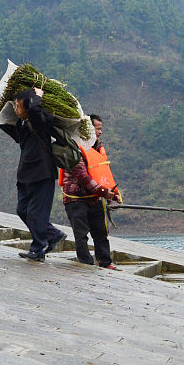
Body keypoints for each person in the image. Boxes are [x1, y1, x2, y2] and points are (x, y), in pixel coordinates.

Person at [0, 87, 66, 262]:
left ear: (28, 107)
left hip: (42, 174)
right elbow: (18, 137)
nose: (16, 110)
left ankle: (38, 249)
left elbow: (36, 111)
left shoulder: (42, 120)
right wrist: (0, 118)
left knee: (36, 213)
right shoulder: (24, 123)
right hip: (26, 175)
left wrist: (37, 96)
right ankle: (53, 234)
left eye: (19, 107)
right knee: (22, 210)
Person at [60, 114, 121, 269]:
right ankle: (86, 264)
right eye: (97, 128)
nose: (100, 132)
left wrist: (113, 194)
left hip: (95, 197)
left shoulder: (98, 148)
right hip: (76, 198)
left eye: (101, 129)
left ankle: (105, 262)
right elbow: (82, 176)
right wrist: (103, 191)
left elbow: (104, 175)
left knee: (101, 232)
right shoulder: (74, 146)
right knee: (81, 234)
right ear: (87, 128)